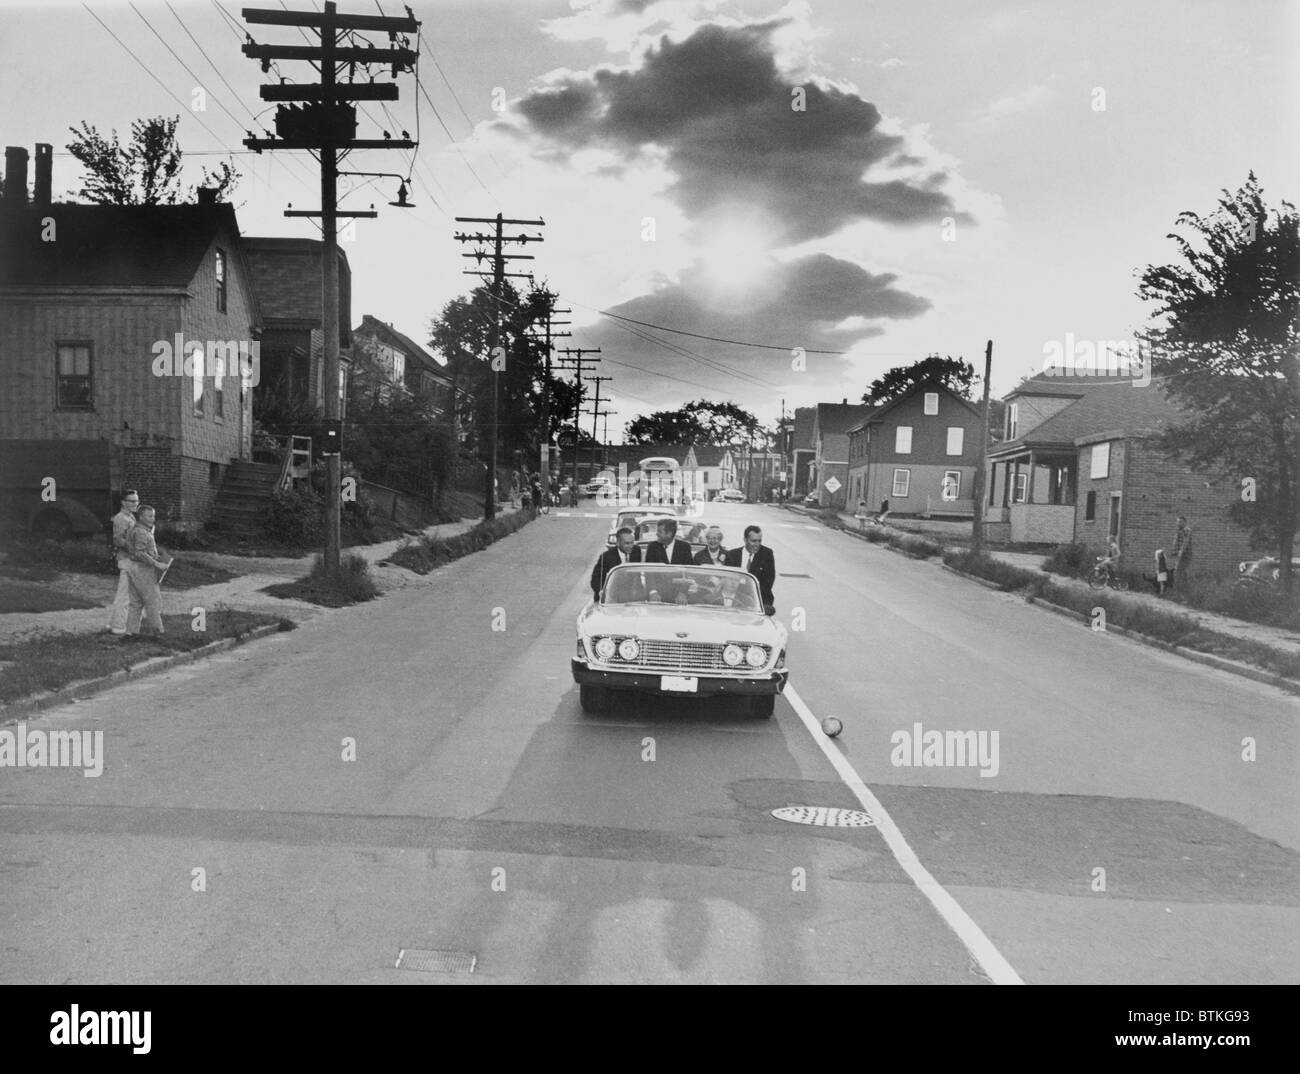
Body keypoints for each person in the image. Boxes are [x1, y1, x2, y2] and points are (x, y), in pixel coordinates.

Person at [123, 505, 172, 638]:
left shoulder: (138, 529)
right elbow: (139, 552)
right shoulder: (141, 532)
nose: (152, 519)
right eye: (149, 516)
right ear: (141, 516)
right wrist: (157, 563)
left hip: (133, 567)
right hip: (143, 569)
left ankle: (131, 632)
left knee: (136, 602)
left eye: (153, 516)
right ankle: (158, 632)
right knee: (153, 601)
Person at [106, 489, 140, 635]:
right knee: (125, 595)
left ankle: (114, 623)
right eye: (131, 501)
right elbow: (118, 540)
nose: (135, 504)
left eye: (136, 501)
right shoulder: (121, 518)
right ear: (123, 502)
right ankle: (118, 627)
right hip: (127, 559)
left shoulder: (131, 517)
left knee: (127, 594)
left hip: (132, 559)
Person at [724, 525, 775, 614]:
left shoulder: (767, 554)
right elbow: (728, 579)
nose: (757, 545)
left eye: (759, 541)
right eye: (753, 541)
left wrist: (751, 600)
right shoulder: (732, 555)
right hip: (735, 597)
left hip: (759, 598)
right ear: (745, 539)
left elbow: (768, 581)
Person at [590, 526, 642, 598]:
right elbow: (595, 581)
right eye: (627, 543)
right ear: (618, 543)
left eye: (632, 542)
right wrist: (604, 593)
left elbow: (637, 575)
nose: (631, 546)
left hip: (631, 596)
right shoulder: (606, 557)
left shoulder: (636, 551)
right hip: (612, 597)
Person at [1171, 515, 1191, 587]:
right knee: (1182, 572)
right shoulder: (1178, 530)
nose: (1178, 523)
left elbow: (1186, 541)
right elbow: (1176, 542)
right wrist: (1174, 552)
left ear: (1185, 522)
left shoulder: (1186, 529)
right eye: (1178, 522)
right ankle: (1185, 588)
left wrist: (1181, 552)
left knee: (1177, 571)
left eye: (1180, 522)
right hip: (1179, 554)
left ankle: (1176, 588)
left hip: (1184, 554)